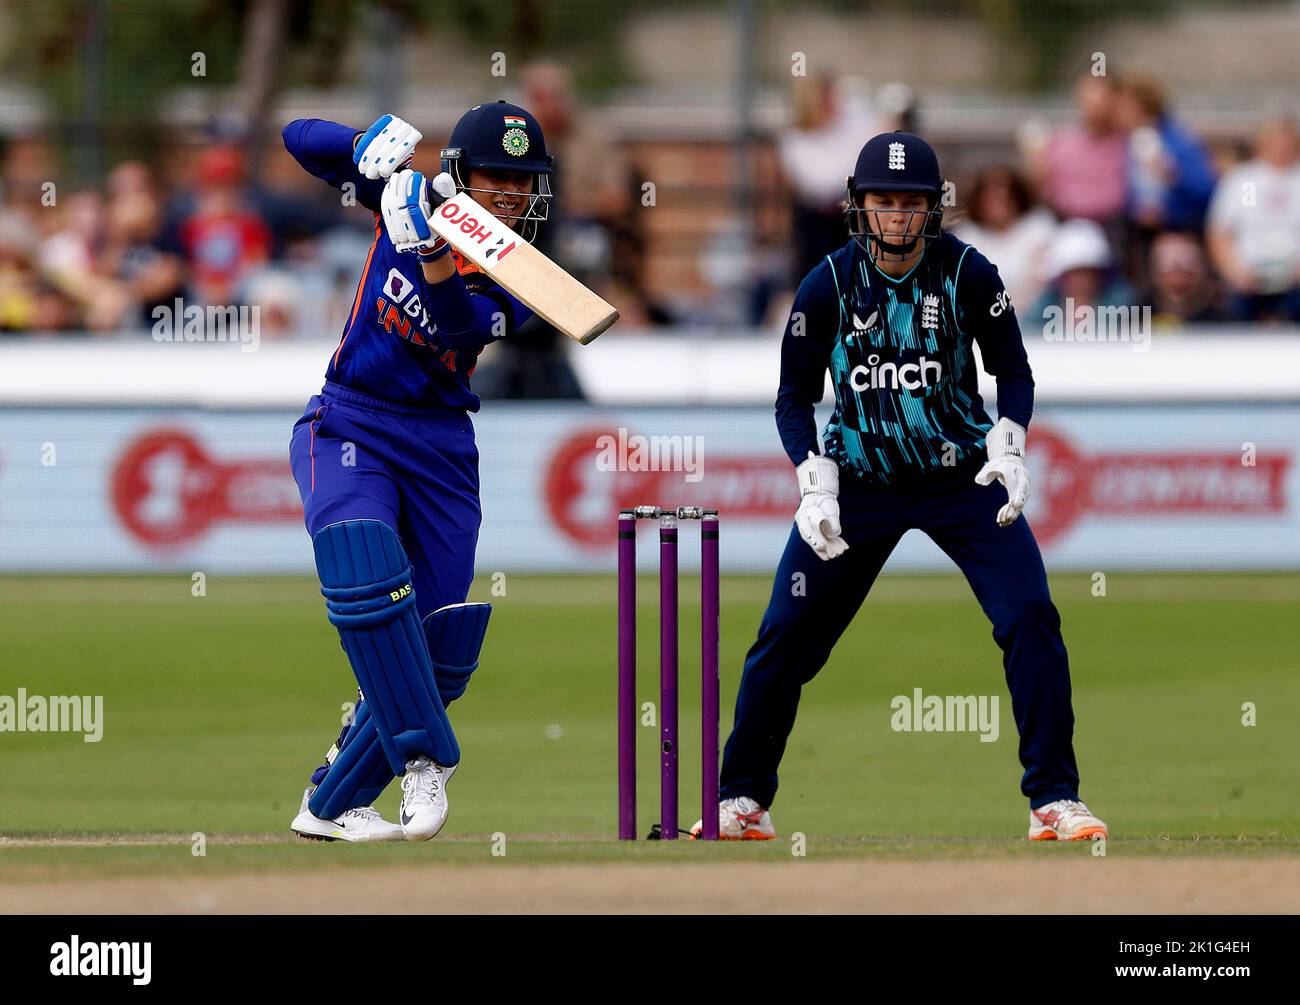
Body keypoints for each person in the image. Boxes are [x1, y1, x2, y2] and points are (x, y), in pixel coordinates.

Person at [693, 132, 1107, 843]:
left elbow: (1014, 371)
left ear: (933, 207)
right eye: (882, 201)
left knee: (1030, 615)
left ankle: (1053, 797)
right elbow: (794, 397)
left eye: (910, 202)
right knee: (786, 634)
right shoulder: (826, 283)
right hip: (859, 484)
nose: (896, 216)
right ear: (857, 205)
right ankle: (742, 798)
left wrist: (1010, 440)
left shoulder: (969, 272)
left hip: (962, 477)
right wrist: (812, 477)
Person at [281, 101, 554, 841]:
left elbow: (459, 327)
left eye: (523, 181)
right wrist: (363, 147)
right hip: (351, 420)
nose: (512, 194)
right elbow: (296, 138)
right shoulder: (404, 194)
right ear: (460, 171)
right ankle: (426, 758)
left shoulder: (524, 273)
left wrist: (429, 249)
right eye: (497, 176)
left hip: (441, 450)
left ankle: (332, 802)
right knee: (364, 567)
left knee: (437, 647)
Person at [1206, 115, 1300, 323]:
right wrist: (1234, 270)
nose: (1282, 147)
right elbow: (1222, 230)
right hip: (1250, 277)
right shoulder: (1246, 182)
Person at [951, 166, 1058, 315]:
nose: (996, 207)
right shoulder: (965, 235)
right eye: (989, 201)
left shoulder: (1038, 227)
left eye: (1003, 199)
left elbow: (1046, 278)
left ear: (1016, 198)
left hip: (1037, 313)